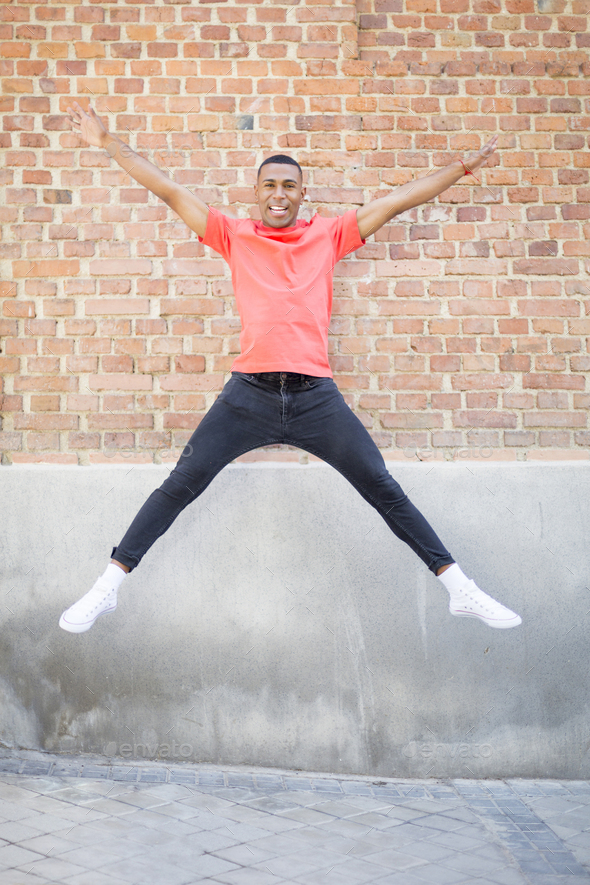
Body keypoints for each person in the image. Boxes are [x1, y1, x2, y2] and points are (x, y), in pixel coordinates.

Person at [59, 101, 521, 634]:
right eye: (270, 186)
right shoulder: (232, 234)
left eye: (289, 186)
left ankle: (460, 589)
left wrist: (462, 167)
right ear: (256, 193)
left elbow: (399, 200)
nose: (279, 194)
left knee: (381, 485)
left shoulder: (330, 234)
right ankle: (107, 588)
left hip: (315, 397)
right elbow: (166, 188)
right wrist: (107, 142)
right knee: (181, 483)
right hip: (248, 396)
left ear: (303, 194)